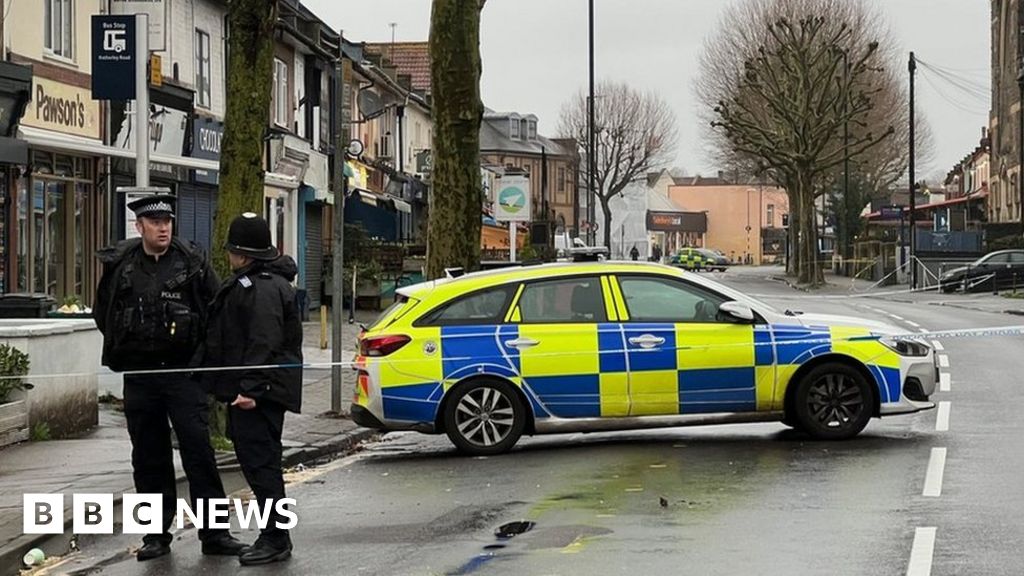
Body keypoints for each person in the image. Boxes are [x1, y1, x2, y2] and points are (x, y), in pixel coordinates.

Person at [94, 193, 244, 561]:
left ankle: (215, 534)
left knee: (198, 453)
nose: (163, 228)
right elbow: (105, 313)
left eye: (167, 221)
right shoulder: (122, 266)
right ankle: (155, 535)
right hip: (141, 378)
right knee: (148, 457)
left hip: (184, 377)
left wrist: (204, 364)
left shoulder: (191, 262)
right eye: (155, 222)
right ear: (139, 226)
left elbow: (215, 312)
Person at [197, 213, 302, 566]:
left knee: (262, 466)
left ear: (241, 253)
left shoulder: (262, 288)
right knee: (262, 464)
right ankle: (274, 535)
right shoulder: (259, 283)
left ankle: (275, 538)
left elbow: (263, 340)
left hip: (259, 394)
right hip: (259, 390)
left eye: (231, 250)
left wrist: (251, 390)